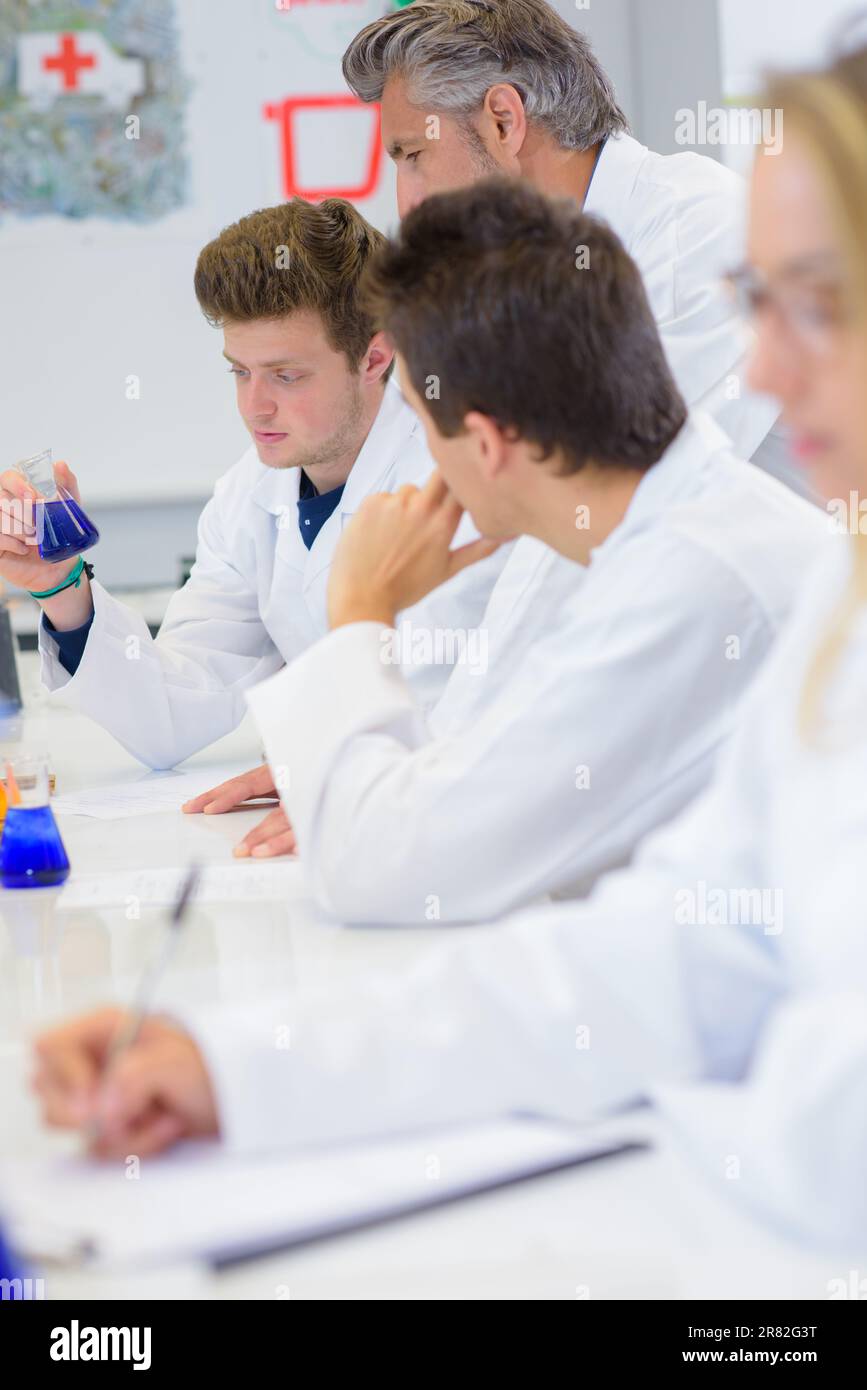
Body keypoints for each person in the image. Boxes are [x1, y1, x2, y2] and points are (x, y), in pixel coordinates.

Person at [30, 42, 867, 1251]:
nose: (772, 372)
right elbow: (668, 955)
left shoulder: (711, 570)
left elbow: (399, 863)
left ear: (465, 433)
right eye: (756, 308)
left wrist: (359, 628)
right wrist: (235, 1067)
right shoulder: (726, 577)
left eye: (819, 306)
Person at [189, 0, 804, 855]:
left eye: (411, 154)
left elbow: (592, 534)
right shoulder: (543, 278)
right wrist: (389, 750)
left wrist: (411, 769)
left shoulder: (699, 239)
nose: (401, 202)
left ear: (504, 119)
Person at [245, 180, 822, 924]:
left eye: (422, 423)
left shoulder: (691, 582)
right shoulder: (642, 533)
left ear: (483, 444)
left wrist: (358, 615)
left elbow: (386, 875)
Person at [0, 199, 501, 773]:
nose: (253, 406)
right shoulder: (250, 494)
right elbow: (174, 712)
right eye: (239, 371)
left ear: (374, 357)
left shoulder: (458, 482)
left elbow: (460, 708)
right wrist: (61, 588)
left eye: (286, 376)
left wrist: (314, 765)